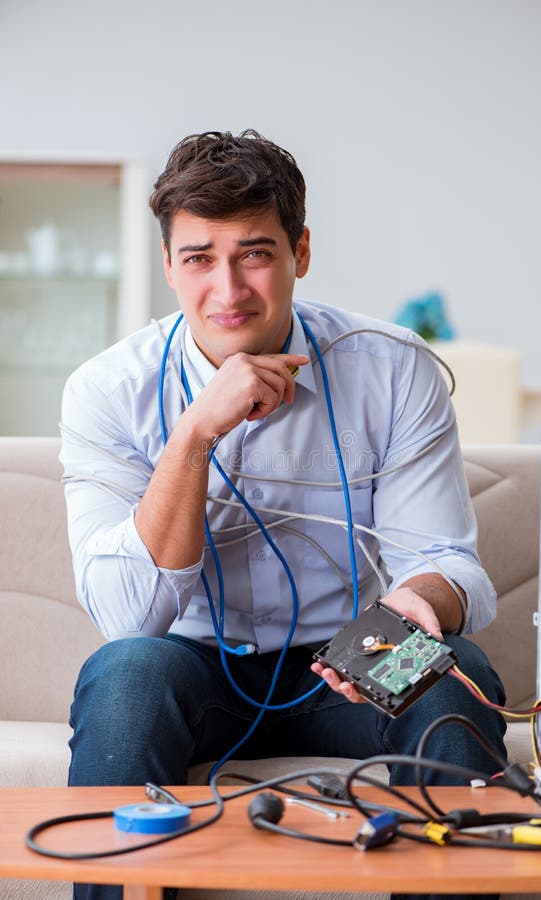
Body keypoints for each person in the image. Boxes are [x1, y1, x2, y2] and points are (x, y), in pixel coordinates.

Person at [60, 130, 507, 900]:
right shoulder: (107, 390)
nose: (228, 288)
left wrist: (416, 601)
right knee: (127, 671)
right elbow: (130, 616)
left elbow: (446, 561)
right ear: (168, 264)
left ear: (300, 252)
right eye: (199, 257)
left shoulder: (392, 368)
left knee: (452, 672)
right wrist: (196, 432)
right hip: (192, 667)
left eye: (255, 253)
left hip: (353, 657)